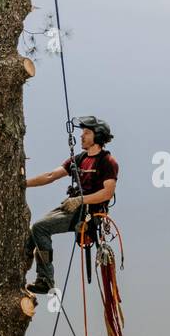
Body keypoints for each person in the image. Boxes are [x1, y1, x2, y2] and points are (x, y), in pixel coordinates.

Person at [23, 116, 118, 294]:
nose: (82, 136)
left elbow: (107, 192)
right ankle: (20, 267)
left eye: (87, 133)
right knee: (32, 231)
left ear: (97, 136)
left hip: (89, 213)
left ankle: (45, 280)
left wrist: (80, 200)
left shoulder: (107, 162)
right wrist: (24, 183)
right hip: (72, 207)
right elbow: (51, 175)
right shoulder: (80, 159)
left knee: (40, 227)